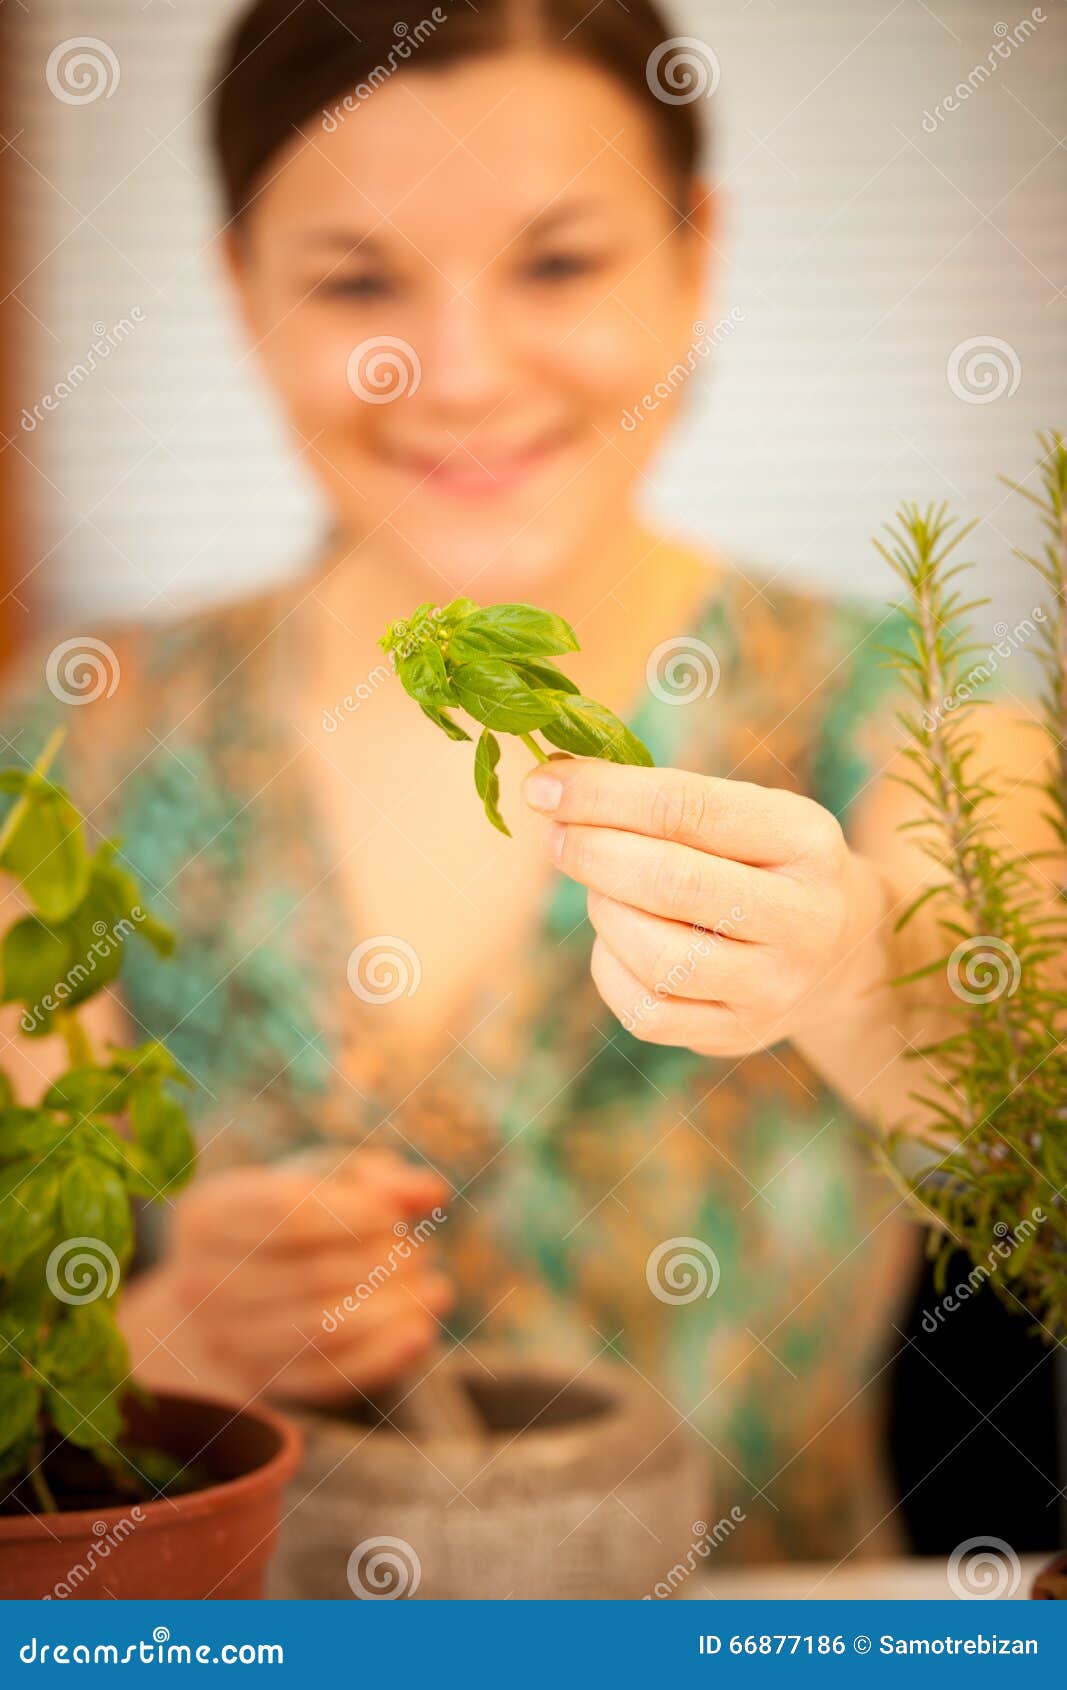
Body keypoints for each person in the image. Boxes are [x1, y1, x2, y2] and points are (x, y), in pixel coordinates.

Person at [0, 0, 1052, 1562]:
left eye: (559, 263)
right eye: (358, 280)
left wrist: (850, 967)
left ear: (697, 253)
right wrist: (148, 1338)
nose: (464, 372)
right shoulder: (66, 743)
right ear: (241, 291)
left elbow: (1025, 1089)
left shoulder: (915, 704)